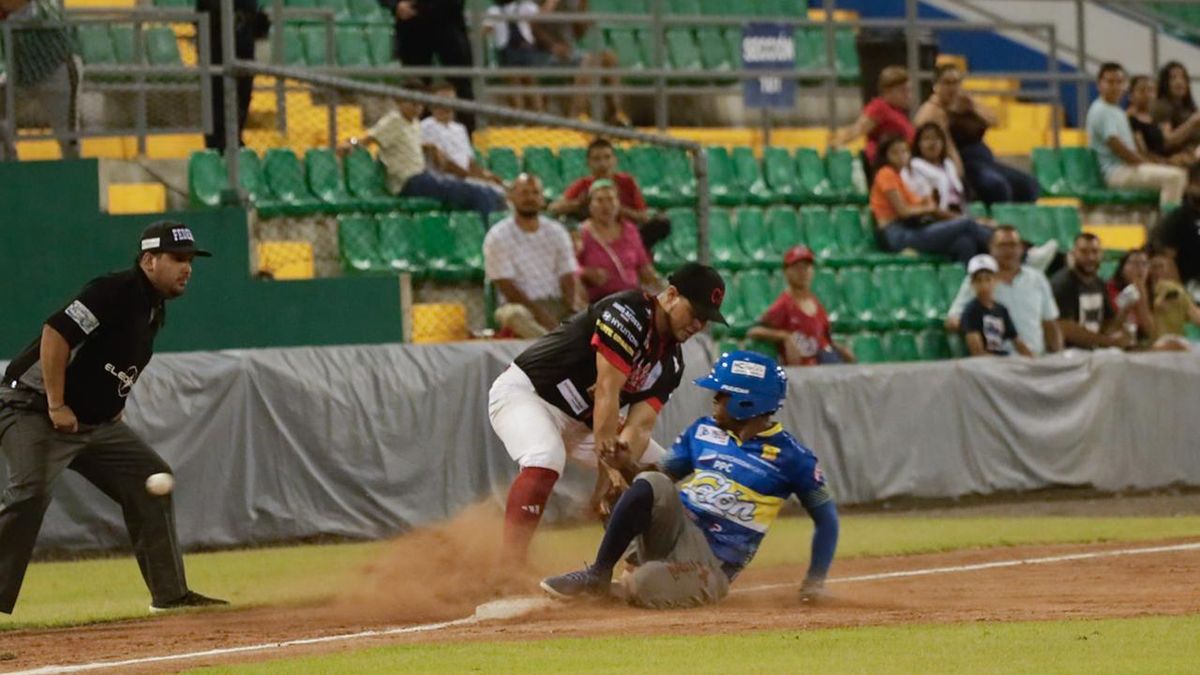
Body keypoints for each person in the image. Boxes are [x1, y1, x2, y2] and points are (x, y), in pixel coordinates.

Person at [0, 222, 228, 614]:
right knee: (30, 491)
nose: (187, 268)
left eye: (190, 260)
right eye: (177, 259)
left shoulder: (152, 308)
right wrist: (56, 404)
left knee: (149, 479)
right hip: (32, 408)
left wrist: (111, 405)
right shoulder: (116, 290)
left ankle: (170, 595)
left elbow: (112, 359)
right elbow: (56, 334)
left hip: (93, 424)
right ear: (149, 260)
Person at [538, 350, 838, 609]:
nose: (714, 399)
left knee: (644, 582)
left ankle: (631, 583)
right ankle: (598, 575)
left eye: (722, 394)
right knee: (653, 483)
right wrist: (625, 464)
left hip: (710, 565)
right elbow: (657, 480)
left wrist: (815, 582)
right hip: (675, 530)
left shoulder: (793, 457)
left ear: (747, 403)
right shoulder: (702, 431)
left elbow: (826, 518)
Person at [489, 262, 727, 565]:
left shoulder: (672, 362)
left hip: (584, 422)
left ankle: (650, 562)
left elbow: (639, 428)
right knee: (544, 457)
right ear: (670, 295)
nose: (698, 325)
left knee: (661, 473)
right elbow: (606, 390)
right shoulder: (628, 311)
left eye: (706, 319)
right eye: (695, 313)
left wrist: (612, 477)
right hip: (530, 395)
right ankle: (509, 566)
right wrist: (611, 470)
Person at [342, 83, 505, 220]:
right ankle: (486, 238)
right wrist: (351, 144)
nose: (417, 107)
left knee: (487, 193)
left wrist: (429, 147)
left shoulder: (414, 124)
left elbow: (412, 144)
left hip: (422, 177)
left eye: (420, 103)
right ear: (399, 101)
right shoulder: (393, 121)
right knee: (476, 194)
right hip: (409, 181)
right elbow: (368, 139)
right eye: (412, 102)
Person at [920, 63, 1038, 205]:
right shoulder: (934, 111)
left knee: (1028, 185)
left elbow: (994, 121)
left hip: (986, 161)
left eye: (956, 82)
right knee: (997, 186)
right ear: (936, 85)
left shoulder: (967, 103)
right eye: (947, 83)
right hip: (966, 163)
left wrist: (973, 106)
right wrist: (959, 175)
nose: (953, 88)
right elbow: (948, 146)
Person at [869, 134, 993, 264]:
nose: (901, 156)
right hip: (898, 234)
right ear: (885, 156)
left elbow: (928, 207)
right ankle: (1006, 248)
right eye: (895, 152)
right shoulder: (885, 173)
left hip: (911, 229)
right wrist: (926, 207)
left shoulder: (900, 178)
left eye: (905, 151)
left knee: (964, 243)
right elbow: (904, 211)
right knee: (967, 225)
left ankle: (966, 281)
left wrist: (927, 204)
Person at [484, 173, 581, 338]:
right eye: (524, 193)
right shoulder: (498, 236)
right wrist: (541, 315)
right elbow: (506, 286)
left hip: (555, 302)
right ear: (511, 198)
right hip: (517, 306)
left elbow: (567, 275)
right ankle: (553, 348)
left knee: (592, 314)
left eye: (535, 193)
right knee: (514, 316)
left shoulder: (557, 232)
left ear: (543, 199)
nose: (530, 197)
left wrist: (571, 308)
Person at [947, 225, 1062, 356]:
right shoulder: (978, 281)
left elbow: (1050, 322)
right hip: (997, 363)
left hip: (1034, 360)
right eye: (1002, 245)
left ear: (1021, 248)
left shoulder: (1037, 278)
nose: (1008, 251)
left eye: (1013, 245)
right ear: (991, 248)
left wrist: (1058, 355)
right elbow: (953, 319)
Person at [1086, 62, 1186, 207]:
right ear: (1099, 84)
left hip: (1127, 169)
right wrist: (1147, 163)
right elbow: (1121, 150)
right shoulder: (1101, 110)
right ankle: (1168, 226)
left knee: (1178, 174)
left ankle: (1164, 222)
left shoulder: (1117, 111)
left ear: (1125, 85)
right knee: (1174, 177)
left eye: (1119, 82)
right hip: (1115, 173)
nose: (1115, 87)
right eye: (1110, 82)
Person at [550, 138, 670, 250]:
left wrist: (616, 209)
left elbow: (643, 216)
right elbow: (554, 208)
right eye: (597, 159)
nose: (603, 164)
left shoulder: (627, 182)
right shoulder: (584, 184)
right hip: (593, 238)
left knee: (661, 223)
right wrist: (579, 204)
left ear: (614, 160)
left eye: (607, 158)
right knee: (566, 223)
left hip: (626, 235)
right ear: (589, 163)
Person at [747, 245, 855, 366]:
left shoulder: (815, 302)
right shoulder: (783, 304)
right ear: (787, 271)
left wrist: (840, 350)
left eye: (807, 267)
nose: (803, 272)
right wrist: (784, 336)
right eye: (797, 268)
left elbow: (823, 339)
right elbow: (754, 331)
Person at [0, 0, 81, 161]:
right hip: (20, 74)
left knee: (68, 140)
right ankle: (9, 168)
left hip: (55, 67)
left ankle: (74, 179)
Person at [380, 0, 475, 130]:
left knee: (461, 83)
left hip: (448, 23)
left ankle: (466, 138)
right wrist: (396, 5)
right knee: (416, 85)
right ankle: (418, 136)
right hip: (412, 28)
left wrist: (422, 7)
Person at [536, 0, 629, 125]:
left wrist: (582, 9)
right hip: (541, 54)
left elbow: (578, 33)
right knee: (589, 61)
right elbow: (534, 25)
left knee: (609, 58)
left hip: (568, 53)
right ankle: (576, 115)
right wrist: (552, 45)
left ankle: (615, 113)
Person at [576, 179, 661, 304]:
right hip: (598, 302)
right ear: (590, 205)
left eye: (610, 199)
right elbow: (568, 269)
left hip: (630, 298)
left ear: (618, 204)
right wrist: (586, 273)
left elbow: (643, 265)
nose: (606, 206)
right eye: (599, 200)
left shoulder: (630, 230)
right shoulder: (582, 232)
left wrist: (658, 284)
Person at [198, 0, 268, 152]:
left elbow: (256, 26)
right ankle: (217, 145)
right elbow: (205, 18)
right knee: (217, 101)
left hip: (244, 55)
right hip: (217, 56)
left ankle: (235, 139)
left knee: (243, 98)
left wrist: (259, 22)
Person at [1051, 232, 1133, 350]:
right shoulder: (1062, 284)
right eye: (1084, 252)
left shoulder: (1099, 283)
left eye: (1095, 252)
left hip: (1094, 354)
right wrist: (1109, 342)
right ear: (1073, 254)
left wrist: (1123, 319)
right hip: (1069, 357)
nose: (1090, 257)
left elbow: (1108, 321)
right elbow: (1065, 327)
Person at [419, 81, 505, 193]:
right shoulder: (425, 127)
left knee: (501, 189)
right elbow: (443, 164)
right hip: (445, 181)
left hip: (467, 179)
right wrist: (472, 177)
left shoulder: (460, 129)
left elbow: (470, 162)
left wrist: (487, 175)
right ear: (431, 104)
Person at [831, 65, 914, 166]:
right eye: (903, 91)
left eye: (909, 91)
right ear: (887, 91)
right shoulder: (879, 108)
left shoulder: (899, 111)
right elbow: (857, 129)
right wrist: (836, 145)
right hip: (884, 165)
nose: (908, 96)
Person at [959, 254, 1033, 357]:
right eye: (979, 281)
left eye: (988, 279)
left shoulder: (1001, 310)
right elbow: (977, 351)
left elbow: (1016, 340)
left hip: (1000, 361)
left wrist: (1033, 360)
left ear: (996, 281)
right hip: (983, 365)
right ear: (972, 284)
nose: (984, 285)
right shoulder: (970, 311)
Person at [1152, 160, 1200, 293]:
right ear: (1190, 186)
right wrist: (1181, 296)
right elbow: (1167, 260)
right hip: (1189, 287)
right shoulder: (1178, 218)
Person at [1128, 75, 1192, 167]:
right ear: (1131, 95)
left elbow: (1166, 143)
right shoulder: (1131, 119)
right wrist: (1167, 162)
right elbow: (1142, 152)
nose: (1147, 95)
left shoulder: (1154, 118)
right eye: (1142, 90)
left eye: (1151, 90)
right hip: (1152, 164)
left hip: (1166, 159)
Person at [905, 122, 966, 213]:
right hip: (934, 214)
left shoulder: (948, 164)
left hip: (958, 210)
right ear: (918, 144)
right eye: (927, 139)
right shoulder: (914, 166)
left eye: (936, 138)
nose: (932, 143)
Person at [1148, 247, 1200, 348]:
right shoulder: (1140, 291)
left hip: (1174, 344)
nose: (1157, 271)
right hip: (1150, 345)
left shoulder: (1176, 290)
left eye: (1161, 266)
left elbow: (1195, 316)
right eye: (1153, 267)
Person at [1105, 248, 1156, 347]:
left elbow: (1150, 331)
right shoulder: (1109, 289)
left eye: (1144, 264)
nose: (1140, 268)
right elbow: (1113, 326)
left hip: (1142, 341)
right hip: (1116, 340)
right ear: (1122, 268)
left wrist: (1142, 295)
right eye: (1135, 263)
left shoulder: (1151, 290)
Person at [1152, 61, 1200, 158]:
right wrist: (1193, 122)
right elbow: (1167, 142)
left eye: (1183, 78)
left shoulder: (1189, 107)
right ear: (1165, 82)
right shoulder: (1161, 106)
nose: (1179, 82)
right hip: (1179, 157)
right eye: (1173, 78)